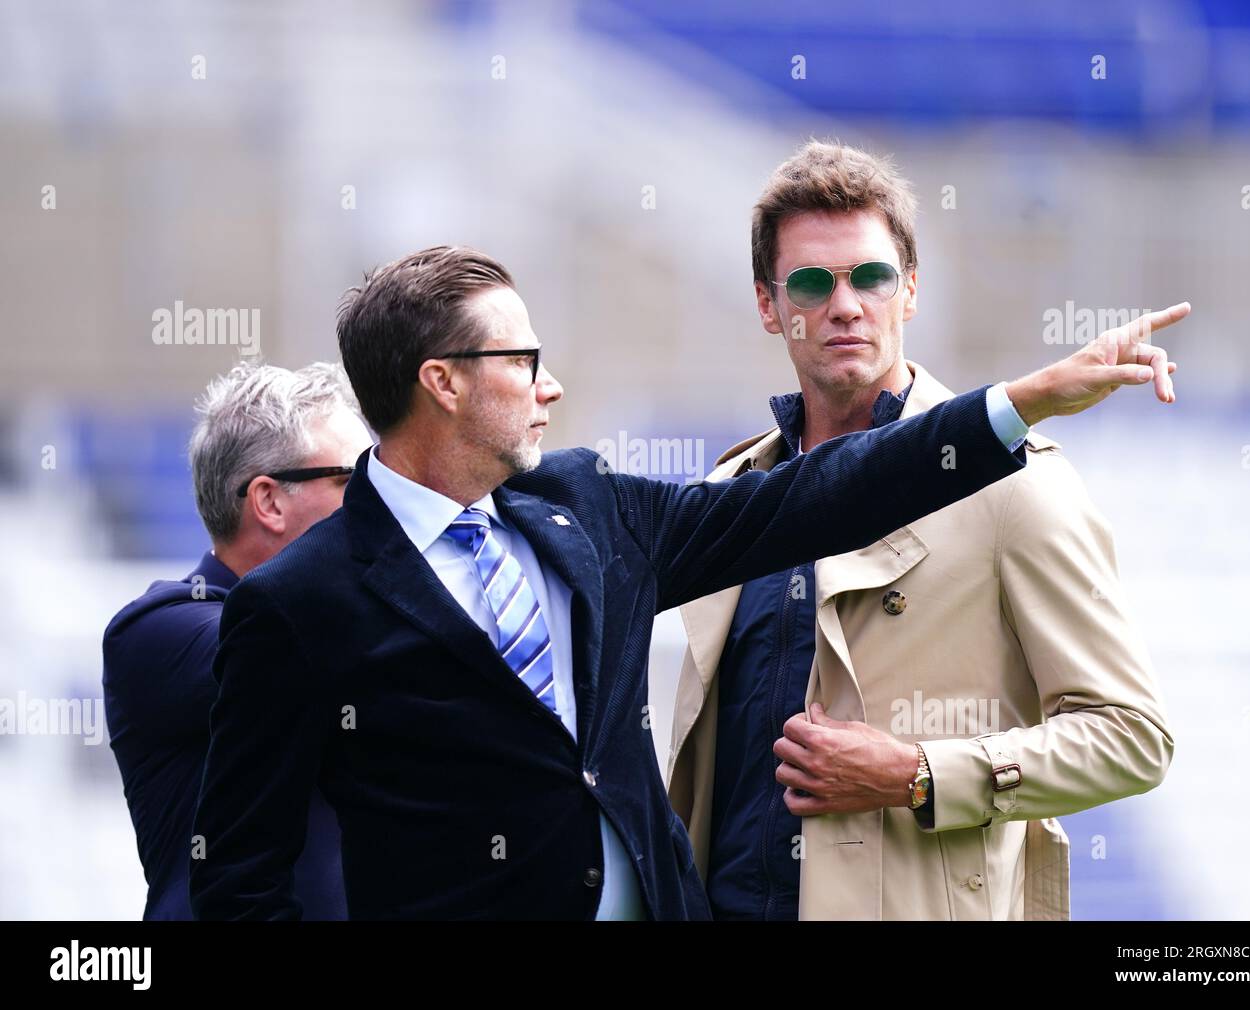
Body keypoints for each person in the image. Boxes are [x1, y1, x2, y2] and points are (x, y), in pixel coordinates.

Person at [190, 244, 1181, 920]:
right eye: (522, 358)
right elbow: (241, 873)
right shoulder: (297, 602)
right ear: (441, 381)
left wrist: (1014, 407)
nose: (550, 385)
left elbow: (817, 496)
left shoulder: (587, 507)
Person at [667, 140, 1179, 920]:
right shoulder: (730, 493)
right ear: (770, 307)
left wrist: (921, 773)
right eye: (810, 282)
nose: (844, 306)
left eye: (870, 277)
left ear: (909, 290)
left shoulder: (1016, 483)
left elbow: (1132, 737)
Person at [103, 361, 369, 920]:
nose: (377, 500)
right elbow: (299, 652)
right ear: (268, 501)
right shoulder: (158, 631)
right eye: (352, 478)